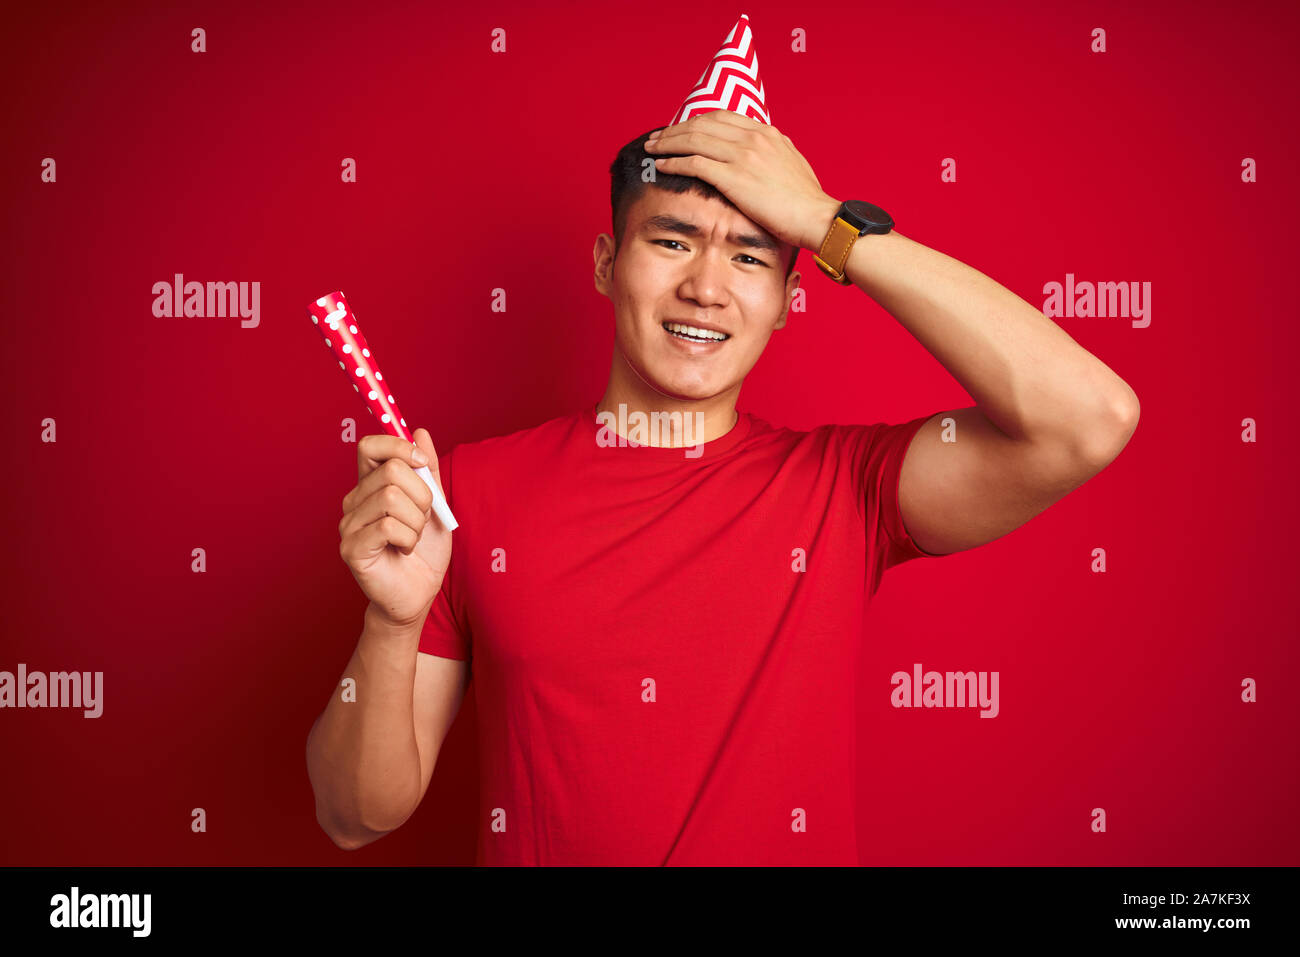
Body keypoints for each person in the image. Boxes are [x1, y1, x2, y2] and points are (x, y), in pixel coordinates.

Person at [305, 110, 1139, 865]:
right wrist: (392, 618)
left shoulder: (845, 488)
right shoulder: (464, 494)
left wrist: (824, 221)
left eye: (749, 255)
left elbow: (1089, 417)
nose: (707, 285)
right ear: (605, 263)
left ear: (787, 299)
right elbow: (354, 816)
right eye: (672, 241)